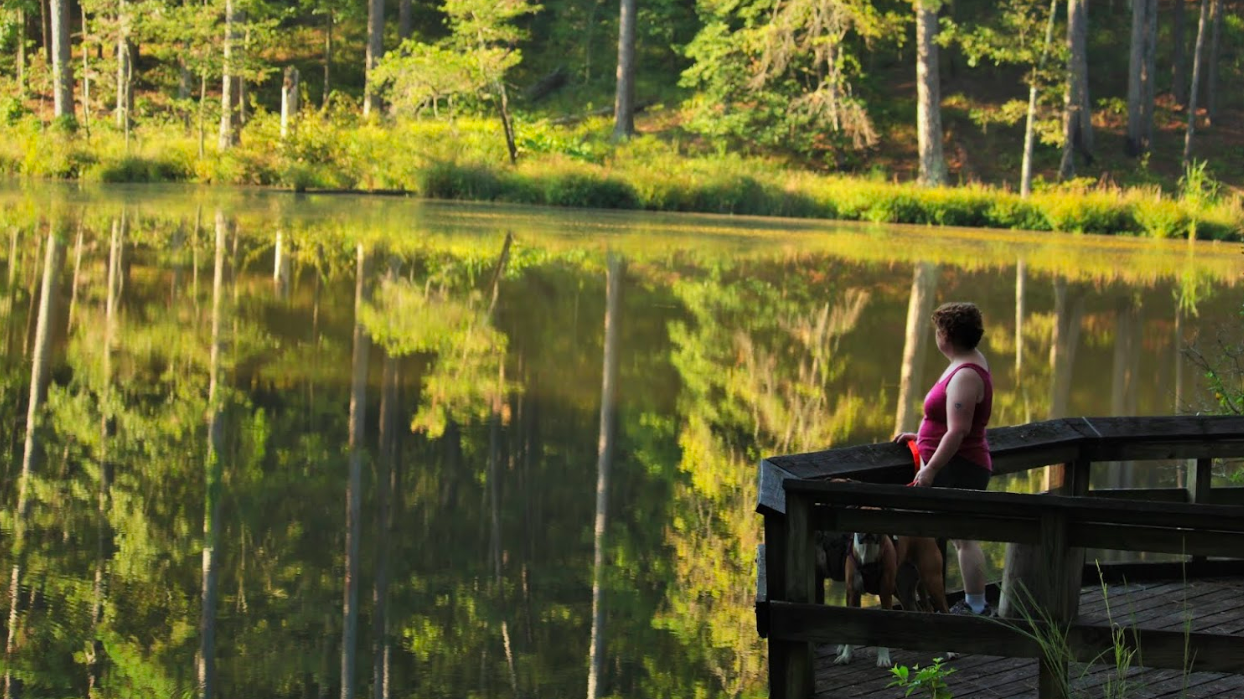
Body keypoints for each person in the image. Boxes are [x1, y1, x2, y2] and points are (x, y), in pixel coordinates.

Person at [894, 301, 993, 616]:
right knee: (954, 537)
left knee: (965, 538)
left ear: (947, 335)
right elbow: (942, 420)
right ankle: (942, 602)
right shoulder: (964, 361)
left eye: (938, 330)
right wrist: (921, 438)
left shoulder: (966, 374)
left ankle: (976, 606)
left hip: (960, 467)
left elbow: (958, 430)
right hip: (950, 463)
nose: (936, 336)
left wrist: (931, 469)